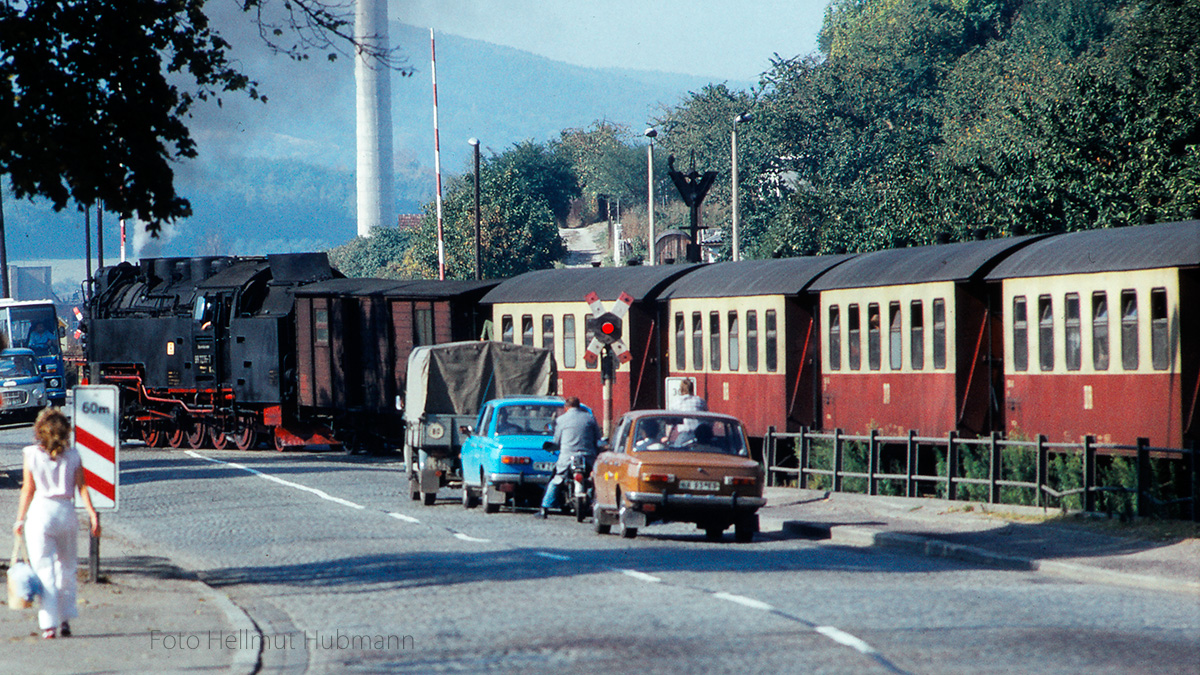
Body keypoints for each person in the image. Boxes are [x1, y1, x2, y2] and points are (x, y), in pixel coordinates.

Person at [12, 408, 101, 639]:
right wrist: (92, 514)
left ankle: (48, 624)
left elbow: (28, 489)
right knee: (67, 568)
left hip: (41, 512)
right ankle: (65, 619)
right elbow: (82, 486)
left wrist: (20, 519)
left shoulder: (30, 454)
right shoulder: (73, 455)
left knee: (44, 570)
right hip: (66, 512)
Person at [537, 397, 599, 518]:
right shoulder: (590, 418)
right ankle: (594, 502)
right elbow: (597, 437)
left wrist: (553, 446)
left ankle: (544, 508)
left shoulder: (561, 420)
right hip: (588, 457)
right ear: (579, 406)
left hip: (567, 458)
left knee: (557, 479)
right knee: (594, 480)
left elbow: (557, 440)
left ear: (566, 408)